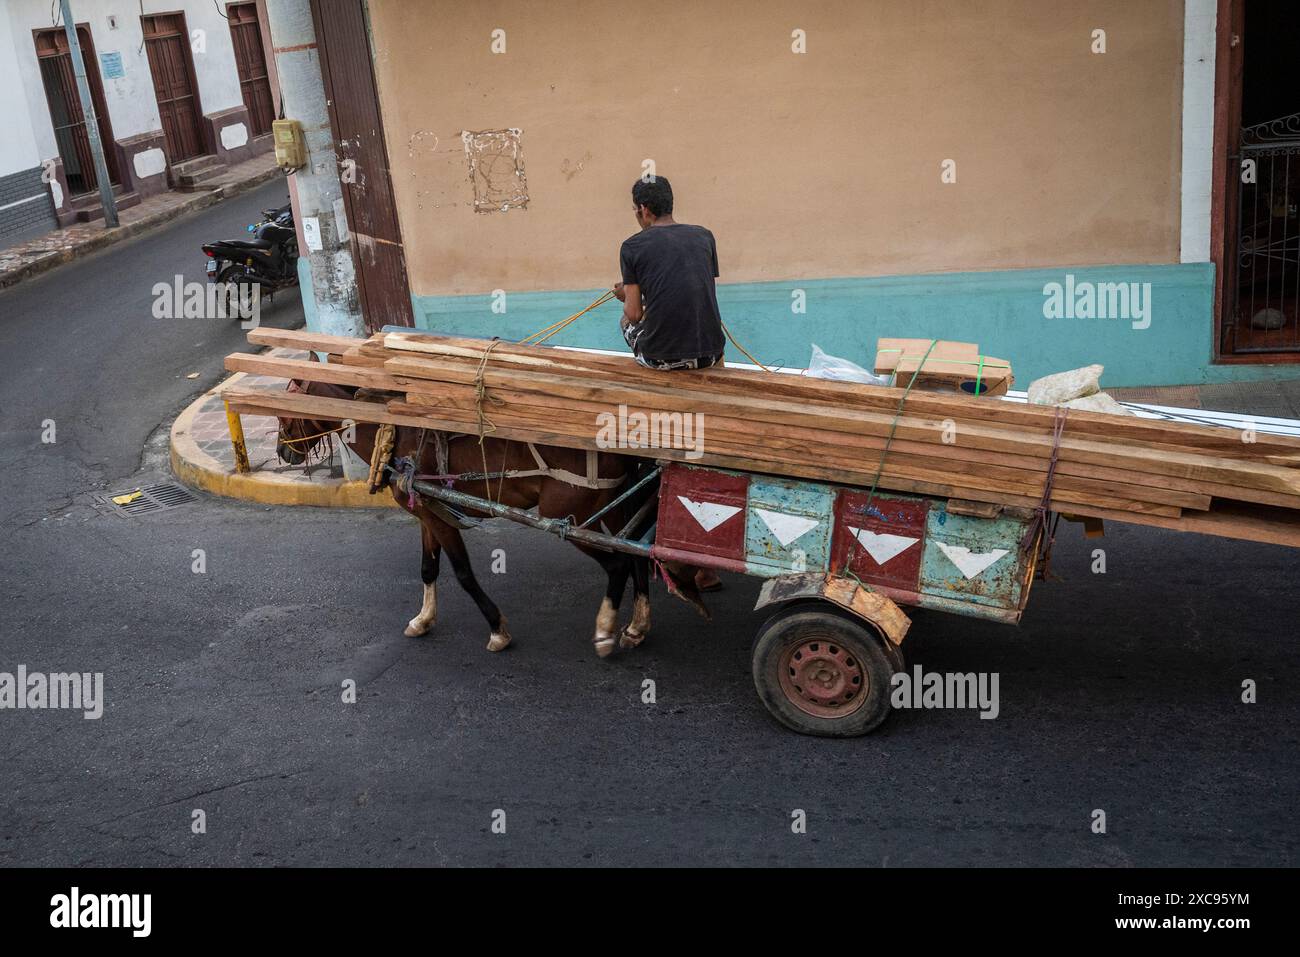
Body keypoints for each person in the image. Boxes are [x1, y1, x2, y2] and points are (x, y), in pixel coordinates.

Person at [612, 176, 726, 371]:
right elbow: (695, 292)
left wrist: (626, 296)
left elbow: (634, 315)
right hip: (712, 354)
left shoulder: (632, 246)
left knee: (624, 321)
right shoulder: (704, 236)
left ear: (644, 209)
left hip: (662, 360)